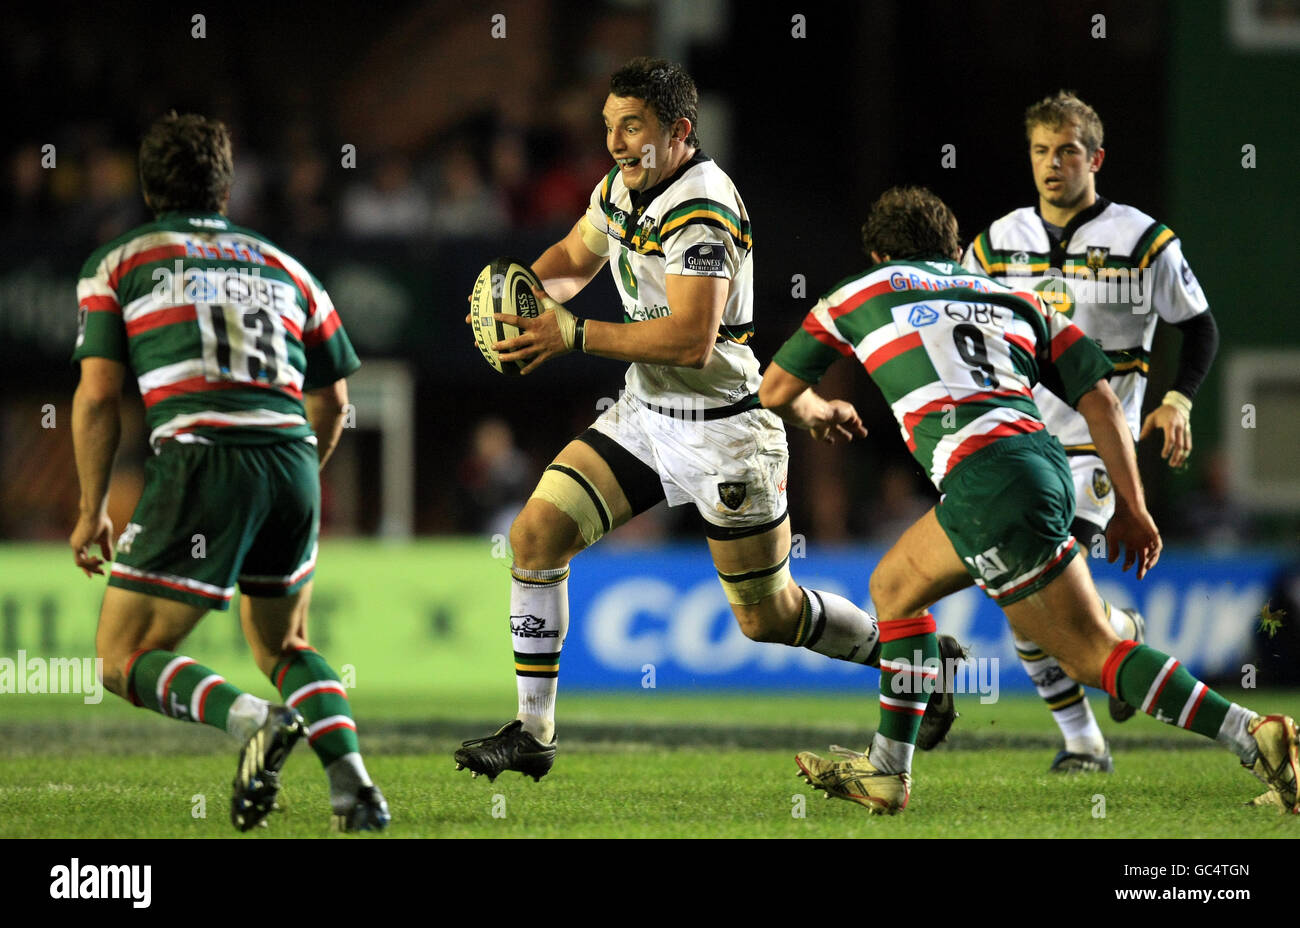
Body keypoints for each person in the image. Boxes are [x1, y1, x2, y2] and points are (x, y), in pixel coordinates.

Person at [454, 58, 958, 782]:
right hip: (645, 413)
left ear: (679, 131)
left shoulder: (702, 206)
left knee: (768, 617)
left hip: (725, 430)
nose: (616, 142)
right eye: (609, 126)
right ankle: (534, 733)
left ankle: (916, 661)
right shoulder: (619, 188)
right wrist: (523, 298)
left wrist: (573, 333)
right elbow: (572, 256)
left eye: (633, 126)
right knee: (535, 535)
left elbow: (692, 339)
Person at [760, 185, 1297, 815]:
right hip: (1042, 465)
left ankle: (1253, 734)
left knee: (1092, 653)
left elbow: (775, 390)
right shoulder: (1015, 298)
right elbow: (1101, 398)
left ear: (879, 254)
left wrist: (820, 412)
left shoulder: (858, 292)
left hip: (985, 480)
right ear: (955, 250)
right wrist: (1133, 506)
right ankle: (886, 771)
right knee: (895, 587)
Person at [69, 113, 389, 832]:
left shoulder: (118, 262)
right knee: (285, 645)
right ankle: (357, 789)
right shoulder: (288, 267)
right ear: (225, 187)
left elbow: (96, 397)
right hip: (292, 457)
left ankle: (253, 721)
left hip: (203, 457)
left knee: (122, 657)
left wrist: (92, 508)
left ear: (147, 188)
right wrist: (296, 476)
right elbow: (334, 401)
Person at [961, 91, 1220, 772]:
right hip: (1018, 446)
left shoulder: (1143, 239)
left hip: (1094, 448)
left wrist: (1178, 401)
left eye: (1068, 150)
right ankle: (1112, 654)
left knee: (1035, 588)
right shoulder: (996, 243)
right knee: (1022, 601)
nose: (1054, 163)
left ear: (1096, 158)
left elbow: (1199, 327)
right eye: (1041, 151)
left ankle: (1083, 740)